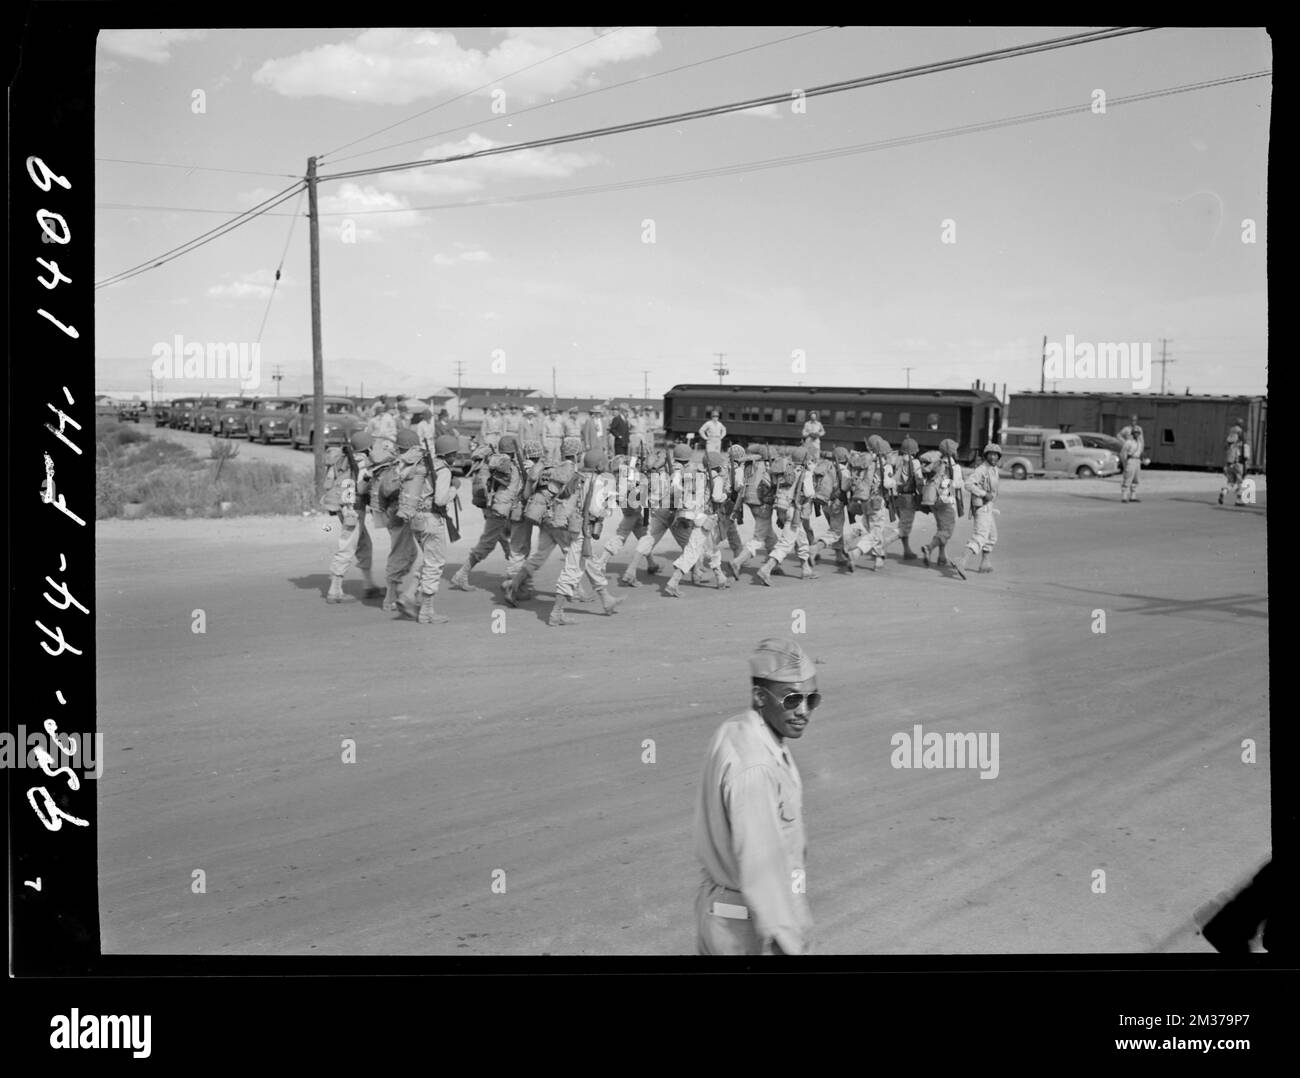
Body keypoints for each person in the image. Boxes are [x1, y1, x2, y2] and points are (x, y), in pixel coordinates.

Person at [694, 637, 818, 956]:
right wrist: (791, 941)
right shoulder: (757, 767)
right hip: (745, 925)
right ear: (759, 697)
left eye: (811, 699)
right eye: (791, 700)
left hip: (719, 913)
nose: (803, 711)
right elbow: (762, 866)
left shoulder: (737, 730)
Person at [502, 436, 592, 626]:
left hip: (544, 520)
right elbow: (569, 500)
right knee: (573, 559)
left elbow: (529, 494)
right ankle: (560, 609)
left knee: (539, 556)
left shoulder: (548, 469)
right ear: (577, 455)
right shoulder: (569, 471)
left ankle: (513, 585)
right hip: (560, 522)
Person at [394, 433, 462, 624]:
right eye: (454, 453)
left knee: (428, 560)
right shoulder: (443, 470)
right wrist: (454, 488)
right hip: (432, 520)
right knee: (435, 564)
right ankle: (427, 612)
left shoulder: (425, 465)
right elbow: (440, 499)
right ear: (450, 453)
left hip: (415, 518)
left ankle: (408, 595)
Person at [449, 434, 520, 592]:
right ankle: (462, 574)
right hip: (498, 509)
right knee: (487, 543)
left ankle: (513, 570)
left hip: (488, 505)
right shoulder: (506, 464)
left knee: (501, 536)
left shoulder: (492, 460)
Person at [323, 430, 380, 602]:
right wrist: (370, 479)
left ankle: (369, 584)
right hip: (354, 510)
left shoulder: (341, 460)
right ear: (367, 447)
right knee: (347, 546)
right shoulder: (362, 463)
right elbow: (361, 489)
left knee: (364, 545)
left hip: (344, 508)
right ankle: (334, 591)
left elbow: (328, 484)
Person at [956, 442, 1002, 577]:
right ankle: (962, 561)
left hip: (988, 507)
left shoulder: (994, 469)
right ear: (986, 455)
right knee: (980, 536)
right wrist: (983, 494)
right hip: (982, 507)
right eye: (991, 454)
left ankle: (985, 563)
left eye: (996, 455)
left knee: (992, 536)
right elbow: (968, 484)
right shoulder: (982, 469)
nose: (993, 457)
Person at [920, 438, 963, 572]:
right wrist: (960, 482)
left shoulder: (936, 463)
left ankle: (941, 556)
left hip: (934, 500)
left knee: (941, 527)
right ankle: (929, 547)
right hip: (946, 500)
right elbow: (955, 484)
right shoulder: (954, 467)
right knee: (947, 530)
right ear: (952, 451)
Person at [892, 437, 925, 558]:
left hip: (896, 497)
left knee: (902, 523)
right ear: (915, 451)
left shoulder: (898, 460)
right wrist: (923, 495)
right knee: (904, 526)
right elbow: (919, 480)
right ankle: (882, 544)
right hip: (908, 498)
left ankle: (907, 550)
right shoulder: (915, 462)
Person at [1220, 418, 1251, 506]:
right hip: (1238, 464)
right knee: (1240, 482)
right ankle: (1238, 501)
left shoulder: (1230, 441)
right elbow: (1245, 456)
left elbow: (1225, 448)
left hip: (1229, 464)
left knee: (1231, 482)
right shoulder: (1241, 443)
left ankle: (1224, 492)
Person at [1118, 425, 1142, 503]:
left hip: (1137, 461)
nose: (1137, 434)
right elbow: (1123, 453)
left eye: (1138, 433)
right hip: (1130, 460)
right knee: (1128, 479)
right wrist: (1125, 463)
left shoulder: (1139, 442)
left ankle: (1133, 496)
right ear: (1132, 433)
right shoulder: (1128, 442)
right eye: (1135, 433)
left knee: (1136, 479)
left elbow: (1140, 452)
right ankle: (1124, 497)